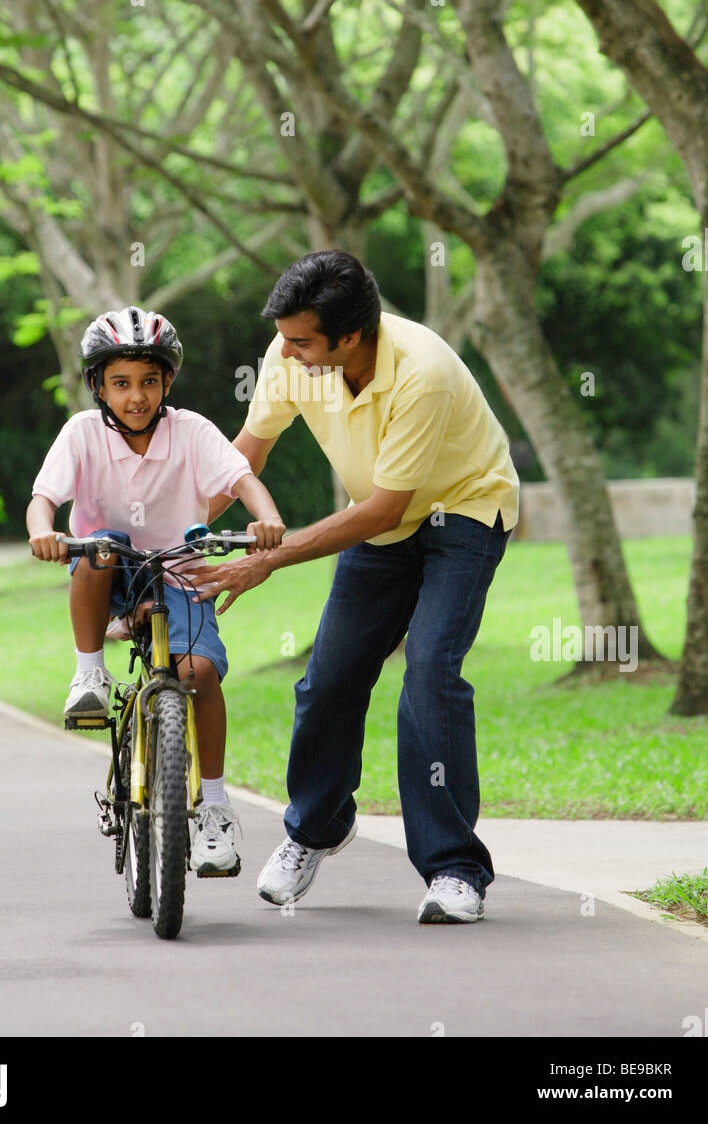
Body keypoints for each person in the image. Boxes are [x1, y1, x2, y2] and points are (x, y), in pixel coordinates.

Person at [188, 252, 519, 922]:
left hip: (464, 511)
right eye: (284, 336)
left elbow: (381, 512)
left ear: (351, 335)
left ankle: (455, 869)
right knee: (328, 678)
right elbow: (241, 458)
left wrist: (266, 561)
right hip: (382, 515)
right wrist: (176, 535)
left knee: (429, 671)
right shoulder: (293, 357)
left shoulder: (418, 373)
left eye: (302, 340)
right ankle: (316, 827)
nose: (285, 351)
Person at [26, 306, 285, 877]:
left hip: (178, 575)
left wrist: (266, 521)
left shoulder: (191, 431)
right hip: (111, 575)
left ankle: (214, 806)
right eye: (120, 383)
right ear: (99, 386)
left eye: (148, 381)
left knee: (198, 674)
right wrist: (43, 531)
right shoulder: (81, 433)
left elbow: (243, 480)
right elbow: (44, 498)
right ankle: (89, 674)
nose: (136, 396)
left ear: (167, 382)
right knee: (101, 544)